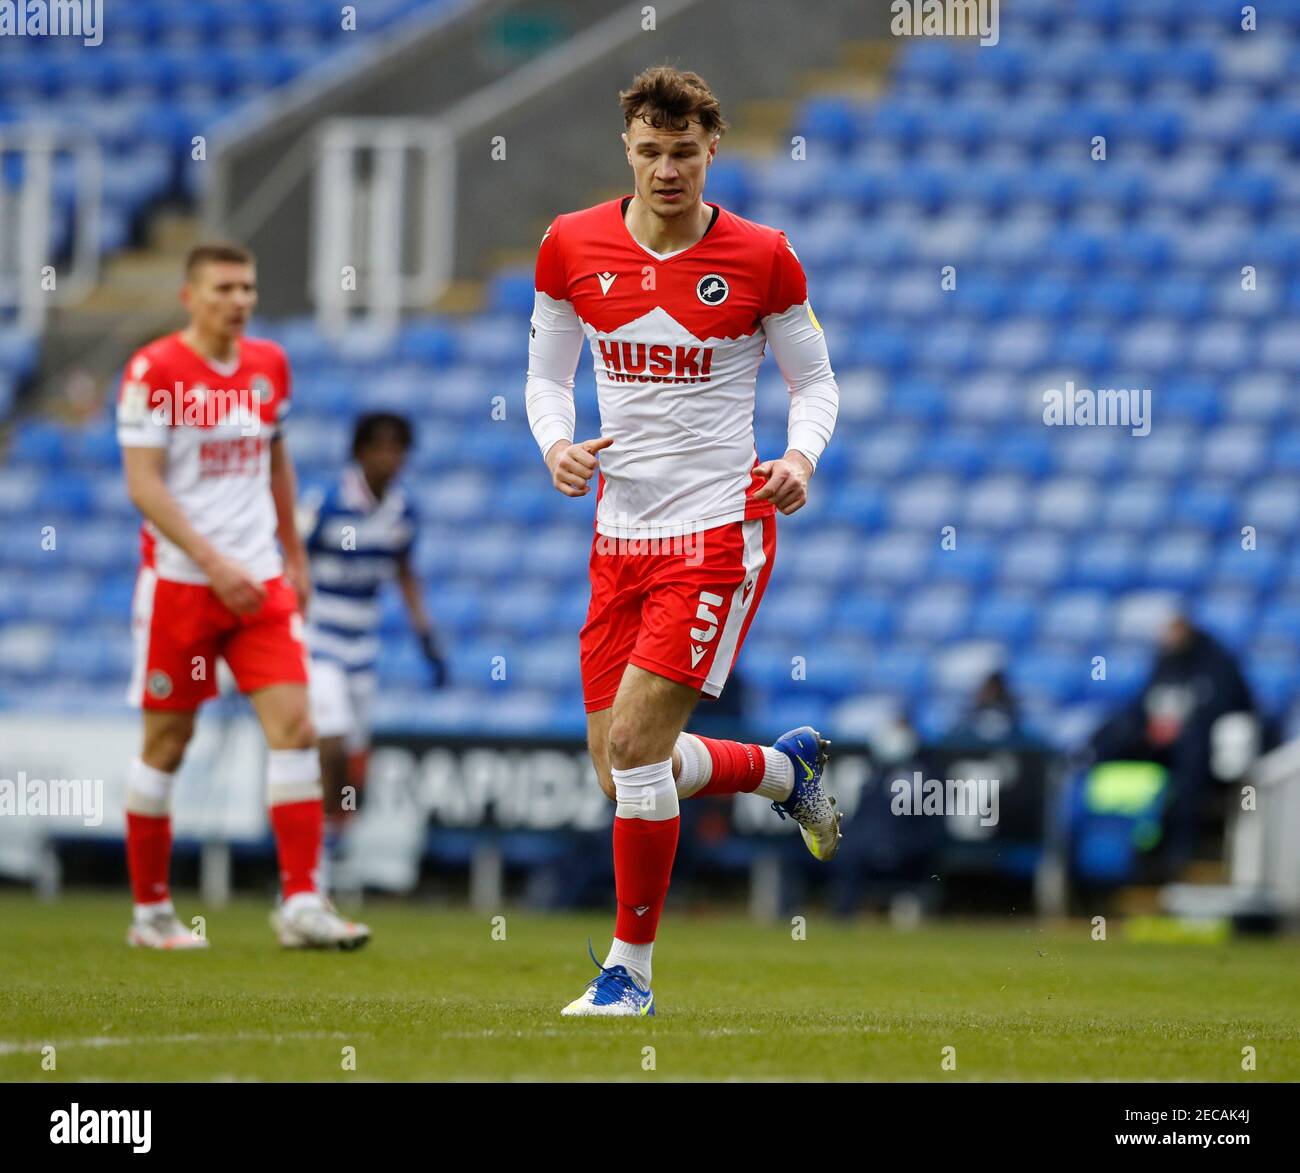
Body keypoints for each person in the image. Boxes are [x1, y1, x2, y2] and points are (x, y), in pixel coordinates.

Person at [525, 66, 841, 1016]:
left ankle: (630, 975)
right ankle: (783, 770)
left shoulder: (763, 256)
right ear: (628, 148)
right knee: (621, 772)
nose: (668, 169)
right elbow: (545, 373)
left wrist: (800, 458)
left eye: (686, 152)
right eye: (652, 151)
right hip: (617, 531)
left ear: (713, 150)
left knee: (633, 746)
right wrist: (554, 444)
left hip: (717, 529)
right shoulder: (569, 243)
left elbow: (816, 383)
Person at [116, 241, 369, 951]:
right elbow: (144, 483)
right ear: (189, 296)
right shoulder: (153, 370)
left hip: (259, 584)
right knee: (168, 744)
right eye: (223, 287)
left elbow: (275, 459)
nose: (239, 300)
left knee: (296, 728)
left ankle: (301, 902)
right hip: (181, 586)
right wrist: (209, 559)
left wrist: (292, 554)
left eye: (247, 287)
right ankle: (152, 912)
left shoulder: (268, 365)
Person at [301, 412, 447, 834]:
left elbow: (404, 571)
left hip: (362, 643)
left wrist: (425, 636)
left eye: (397, 448)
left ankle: (337, 836)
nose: (389, 458)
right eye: (380, 447)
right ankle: (320, 846)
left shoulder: (402, 512)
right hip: (319, 638)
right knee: (330, 733)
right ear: (359, 453)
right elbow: (293, 558)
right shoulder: (326, 503)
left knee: (355, 753)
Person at [1088, 614, 1257, 872]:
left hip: (1200, 746)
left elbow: (1223, 706)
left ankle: (1180, 852)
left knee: (1191, 756)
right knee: (1112, 736)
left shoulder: (1217, 663)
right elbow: (1144, 704)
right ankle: (1101, 847)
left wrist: (1179, 730)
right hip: (1160, 741)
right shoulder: (1164, 663)